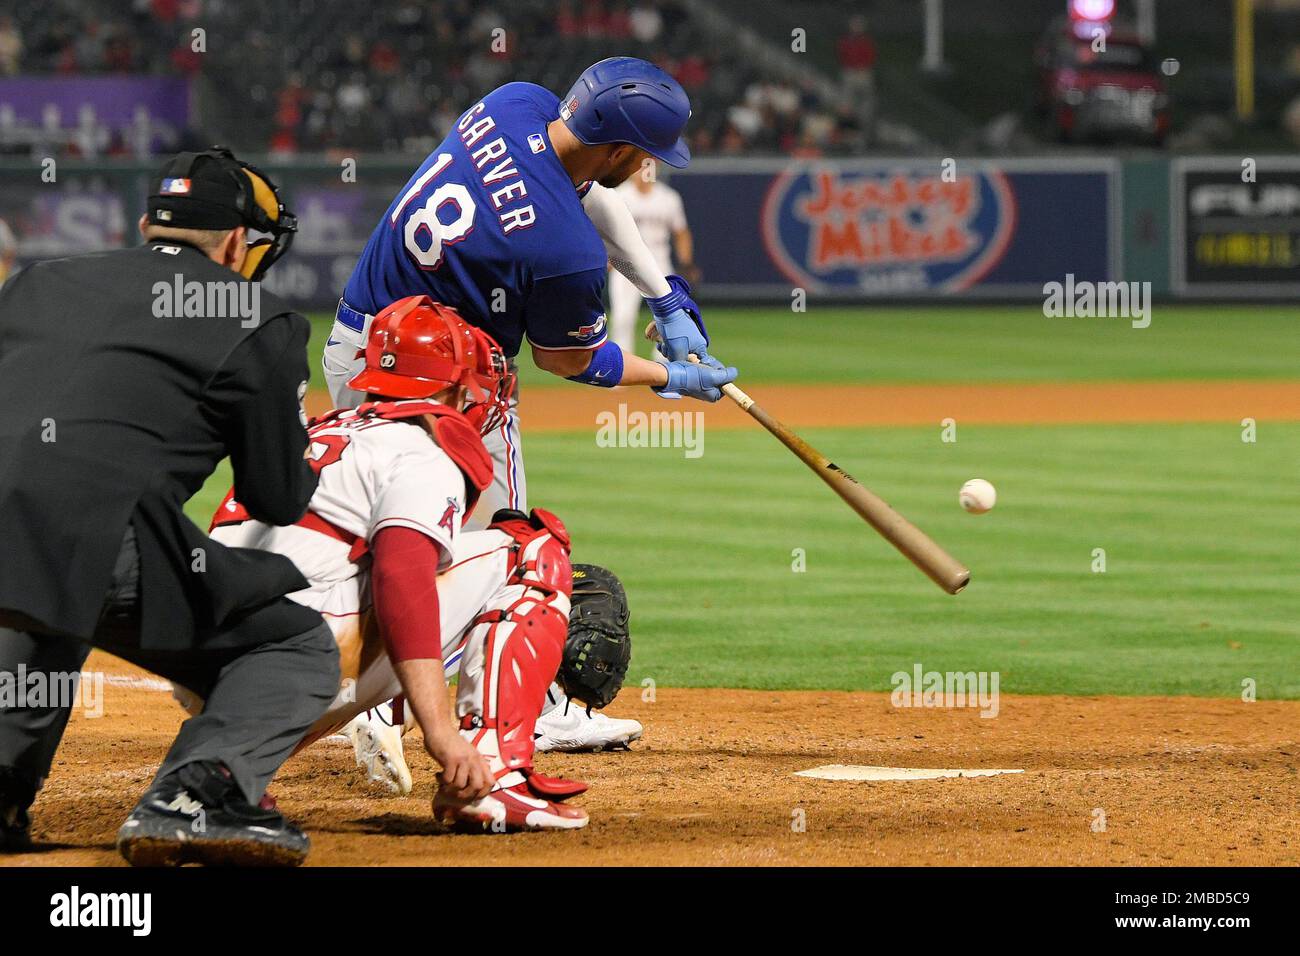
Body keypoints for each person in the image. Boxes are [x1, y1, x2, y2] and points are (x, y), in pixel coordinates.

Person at [321, 56, 737, 755]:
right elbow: (568, 359)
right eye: (640, 153)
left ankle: (366, 700)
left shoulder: (514, 105)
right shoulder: (564, 251)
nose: (643, 166)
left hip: (360, 346)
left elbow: (578, 185)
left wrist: (661, 292)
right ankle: (531, 711)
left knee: (390, 538)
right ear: (619, 146)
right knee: (512, 542)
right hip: (449, 379)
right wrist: (667, 376)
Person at [0, 147, 339, 866]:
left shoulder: (37, 282)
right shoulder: (256, 315)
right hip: (91, 534)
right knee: (294, 644)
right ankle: (196, 795)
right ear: (234, 242)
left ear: (151, 222)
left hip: (28, 540)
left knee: (47, 591)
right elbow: (276, 495)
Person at [210, 295, 587, 829]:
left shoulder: (319, 430)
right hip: (298, 659)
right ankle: (490, 782)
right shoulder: (419, 448)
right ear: (453, 386)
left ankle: (228, 773)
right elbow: (401, 580)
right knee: (530, 548)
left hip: (209, 673)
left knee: (334, 576)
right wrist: (438, 731)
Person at [608, 160, 699, 358]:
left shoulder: (668, 198)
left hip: (659, 260)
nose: (644, 170)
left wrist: (686, 262)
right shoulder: (619, 195)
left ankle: (666, 362)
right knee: (623, 316)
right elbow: (606, 232)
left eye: (649, 166)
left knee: (669, 314)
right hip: (625, 262)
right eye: (640, 165)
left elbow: (681, 232)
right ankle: (622, 364)